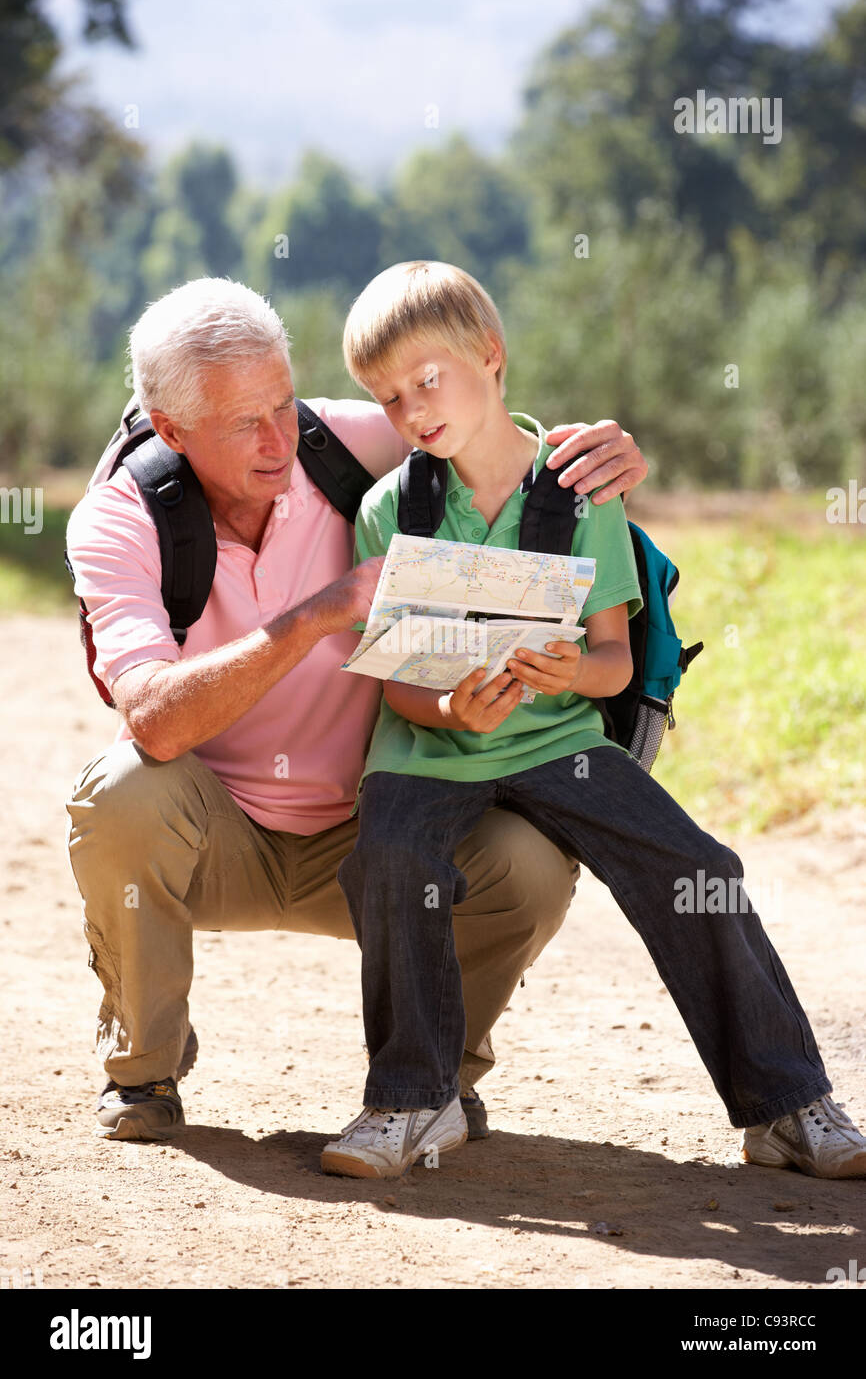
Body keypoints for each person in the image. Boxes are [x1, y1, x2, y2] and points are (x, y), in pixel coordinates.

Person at [64, 276, 649, 1142]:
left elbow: (487, 417)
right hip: (215, 841)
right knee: (117, 794)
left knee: (527, 863)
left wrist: (599, 449)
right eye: (242, 424)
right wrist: (317, 614)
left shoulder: (343, 442)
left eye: (283, 403)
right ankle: (144, 1072)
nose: (278, 442)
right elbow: (154, 720)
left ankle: (436, 1081)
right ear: (171, 429)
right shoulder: (118, 520)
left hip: (384, 835)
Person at [322, 258, 866, 1181]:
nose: (413, 412)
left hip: (562, 743)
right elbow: (398, 686)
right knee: (391, 857)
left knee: (699, 866)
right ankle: (413, 1102)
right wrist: (452, 703)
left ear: (490, 357)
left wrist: (573, 670)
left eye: (427, 380)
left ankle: (787, 1106)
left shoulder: (581, 496)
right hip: (426, 749)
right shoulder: (389, 509)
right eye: (388, 398)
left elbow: (614, 658)